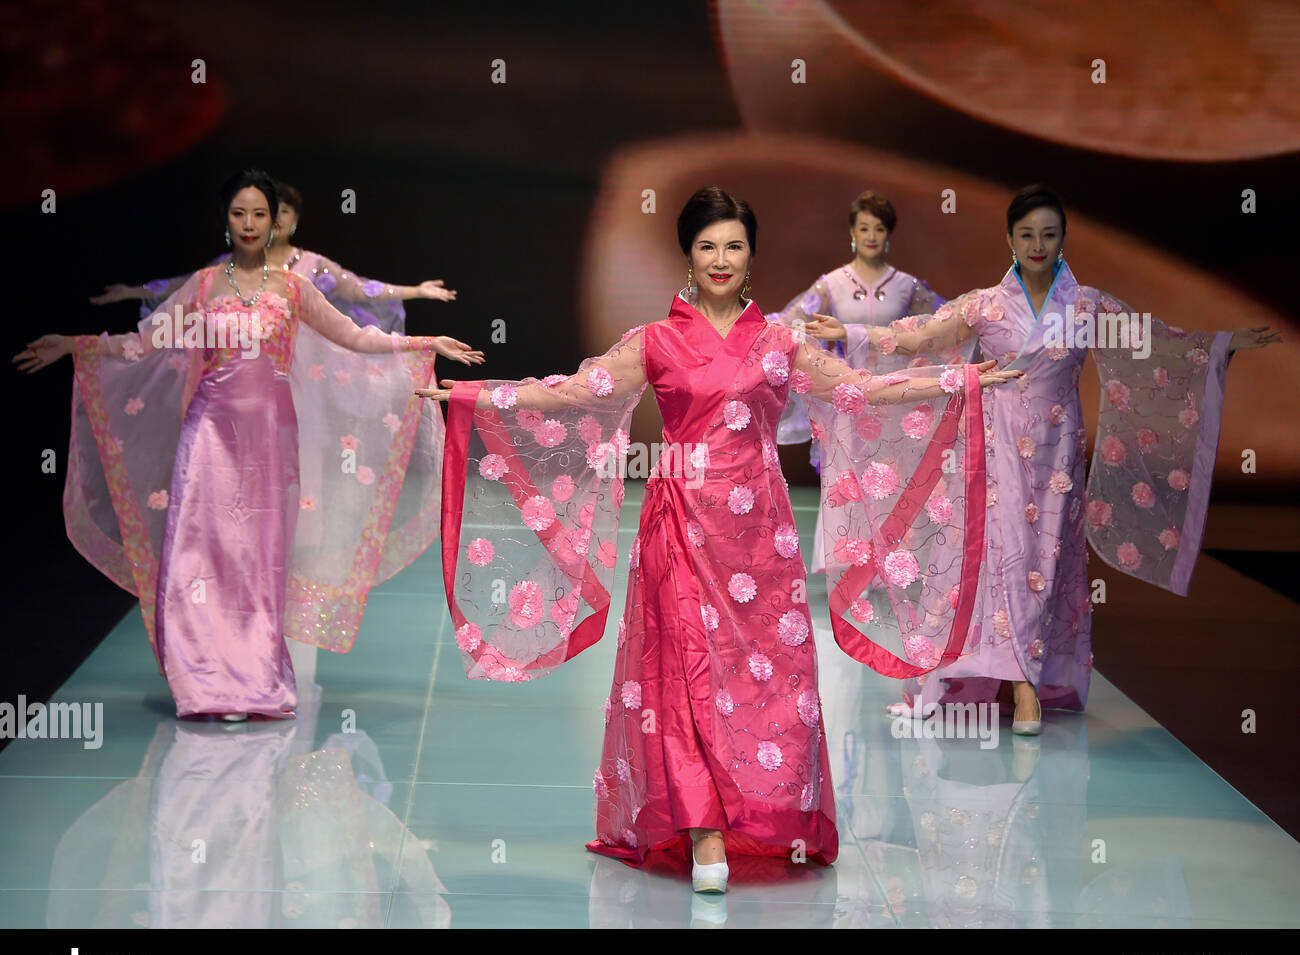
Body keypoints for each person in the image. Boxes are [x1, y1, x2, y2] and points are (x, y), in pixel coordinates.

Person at [420, 186, 1018, 893]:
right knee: (682, 676)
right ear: (689, 254)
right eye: (708, 246)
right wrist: (468, 397)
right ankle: (703, 832)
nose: (722, 259)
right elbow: (574, 393)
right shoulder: (657, 340)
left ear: (751, 253)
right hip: (677, 525)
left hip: (760, 537)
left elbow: (856, 391)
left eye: (734, 245)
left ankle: (753, 815)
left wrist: (957, 382)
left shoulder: (779, 341)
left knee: (768, 678)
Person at [805, 184, 1281, 735]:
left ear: (1062, 240)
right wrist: (855, 331)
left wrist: (1219, 344)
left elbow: (1147, 341)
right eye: (1026, 234)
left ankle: (1022, 674)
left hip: (1057, 458)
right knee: (1002, 554)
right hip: (993, 446)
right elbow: (920, 336)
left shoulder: (1085, 306)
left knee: (1044, 565)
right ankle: (1022, 687)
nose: (1037, 244)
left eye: (1048, 234)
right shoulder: (987, 304)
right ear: (1009, 239)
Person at [15, 169, 485, 722]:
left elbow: (356, 336)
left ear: (274, 221)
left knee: (258, 558)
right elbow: (145, 342)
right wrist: (75, 344)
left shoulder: (294, 288)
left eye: (259, 214)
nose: (249, 224)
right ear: (226, 221)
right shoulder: (204, 286)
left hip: (272, 440)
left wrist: (427, 342)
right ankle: (202, 678)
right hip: (209, 434)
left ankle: (254, 675)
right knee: (200, 554)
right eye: (239, 213)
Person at [768, 190, 949, 572]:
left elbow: (939, 328)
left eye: (878, 228)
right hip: (848, 397)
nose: (870, 235)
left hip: (896, 397)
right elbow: (792, 322)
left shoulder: (907, 286)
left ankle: (893, 567)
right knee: (850, 478)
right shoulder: (831, 284)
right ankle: (850, 566)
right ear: (852, 232)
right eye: (863, 227)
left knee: (892, 479)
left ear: (888, 234)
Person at [89, 179, 456, 333]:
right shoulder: (230, 263)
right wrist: (133, 291)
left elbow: (361, 290)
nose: (277, 219)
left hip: (299, 364)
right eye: (269, 211)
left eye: (285, 213)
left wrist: (417, 290)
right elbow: (186, 285)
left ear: (294, 221)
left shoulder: (312, 264)